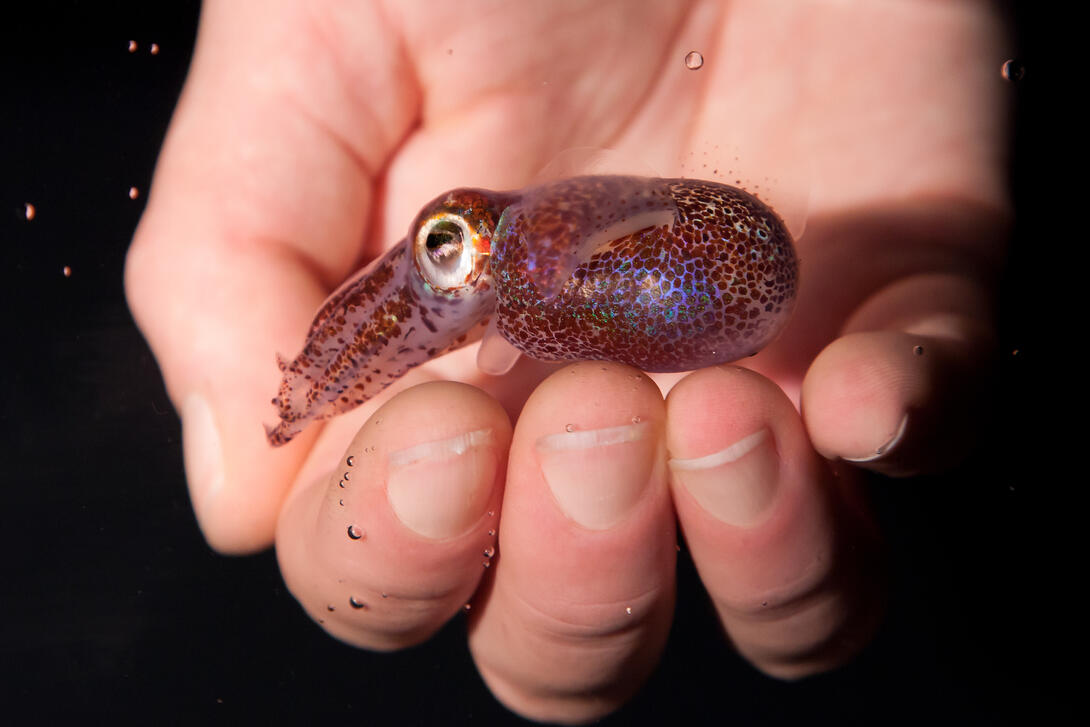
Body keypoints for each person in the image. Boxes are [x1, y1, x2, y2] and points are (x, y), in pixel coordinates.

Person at [125, 1, 1010, 722]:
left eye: (441, 245)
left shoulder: (529, 278)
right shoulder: (523, 283)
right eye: (445, 246)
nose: (431, 280)